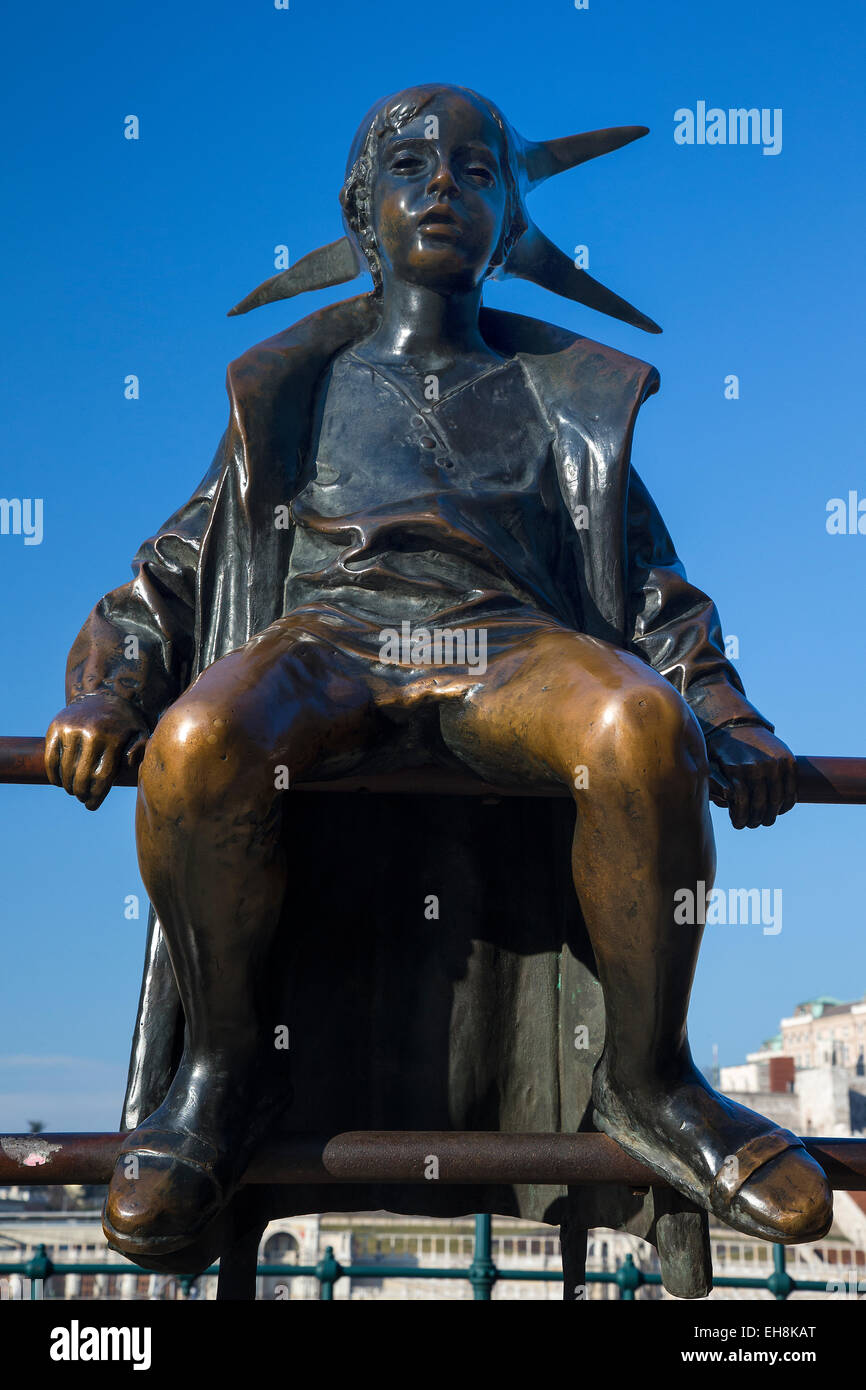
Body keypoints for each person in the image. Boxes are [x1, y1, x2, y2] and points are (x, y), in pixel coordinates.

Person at [46, 84, 832, 1260]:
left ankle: (650, 1080)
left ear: (513, 216)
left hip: (503, 648)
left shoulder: (559, 399)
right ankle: (219, 1077)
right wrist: (108, 691)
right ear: (361, 215)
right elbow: (162, 578)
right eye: (410, 166)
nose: (442, 189)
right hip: (324, 641)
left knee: (633, 725)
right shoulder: (293, 393)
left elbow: (658, 593)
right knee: (199, 745)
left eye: (476, 171)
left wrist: (723, 713)